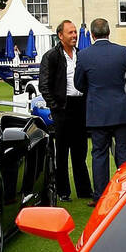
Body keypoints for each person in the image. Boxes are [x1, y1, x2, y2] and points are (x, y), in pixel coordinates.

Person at [73, 17, 126, 204]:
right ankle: (125, 192)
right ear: (109, 32)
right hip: (122, 110)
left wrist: (94, 91)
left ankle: (100, 195)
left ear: (92, 35)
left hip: (98, 112)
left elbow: (78, 84)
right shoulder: (123, 52)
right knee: (124, 154)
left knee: (99, 154)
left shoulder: (84, 55)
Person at [39, 19, 92, 202]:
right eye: (70, 32)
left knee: (80, 151)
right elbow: (44, 85)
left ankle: (84, 190)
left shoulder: (82, 54)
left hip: (80, 106)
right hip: (62, 107)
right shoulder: (51, 56)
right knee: (61, 152)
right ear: (60, 36)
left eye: (75, 32)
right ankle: (63, 191)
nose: (74, 35)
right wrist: (55, 106)